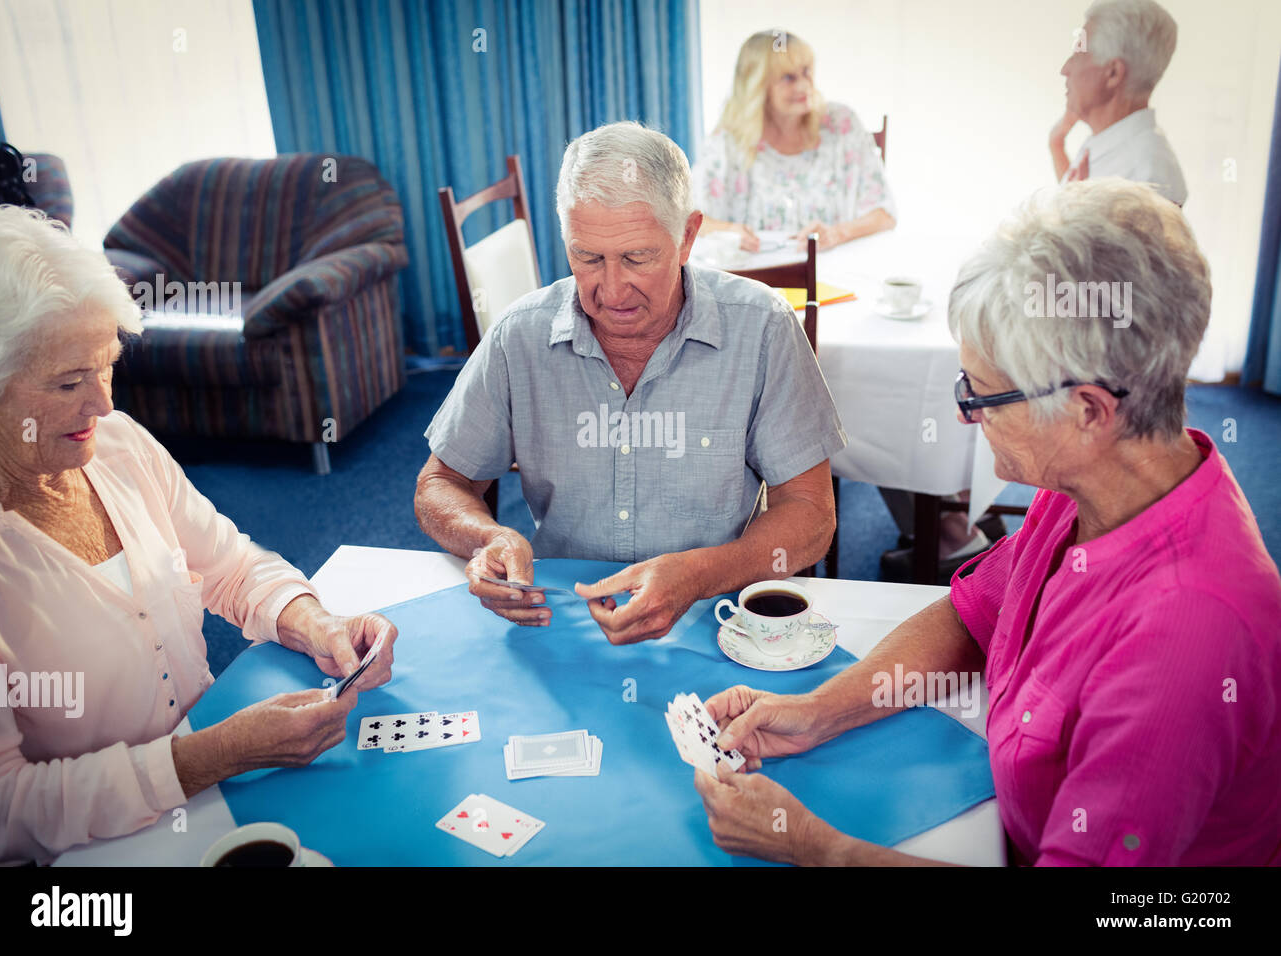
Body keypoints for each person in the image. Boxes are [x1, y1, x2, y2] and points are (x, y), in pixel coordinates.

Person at [692, 179, 1281, 865]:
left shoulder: (1188, 635)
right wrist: (816, 712)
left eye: (981, 394)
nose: (965, 412)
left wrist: (819, 848)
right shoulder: (1094, 480)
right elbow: (975, 613)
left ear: (1089, 410)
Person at [0, 206, 397, 863]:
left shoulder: (115, 444)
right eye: (69, 382)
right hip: (97, 851)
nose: (104, 405)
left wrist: (314, 620)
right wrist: (210, 755)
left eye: (106, 366)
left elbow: (230, 566)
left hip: (218, 792)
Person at [415, 121, 847, 645]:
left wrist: (701, 574)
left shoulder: (763, 327)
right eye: (587, 257)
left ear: (687, 237)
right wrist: (491, 537)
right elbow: (441, 485)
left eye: (638, 258)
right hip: (560, 619)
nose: (611, 289)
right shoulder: (519, 336)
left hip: (715, 617)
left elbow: (810, 514)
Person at [693, 29, 896, 252]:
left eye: (806, 71)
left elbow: (884, 215)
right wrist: (727, 230)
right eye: (788, 77)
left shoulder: (842, 124)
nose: (803, 85)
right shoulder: (729, 140)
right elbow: (688, 219)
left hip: (837, 277)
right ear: (757, 85)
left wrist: (837, 233)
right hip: (759, 279)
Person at [1050, 0, 1186, 205]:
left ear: (1113, 73)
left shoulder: (1147, 176)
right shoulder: (1109, 144)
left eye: (1078, 53)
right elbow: (1074, 208)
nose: (1065, 68)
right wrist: (1056, 144)